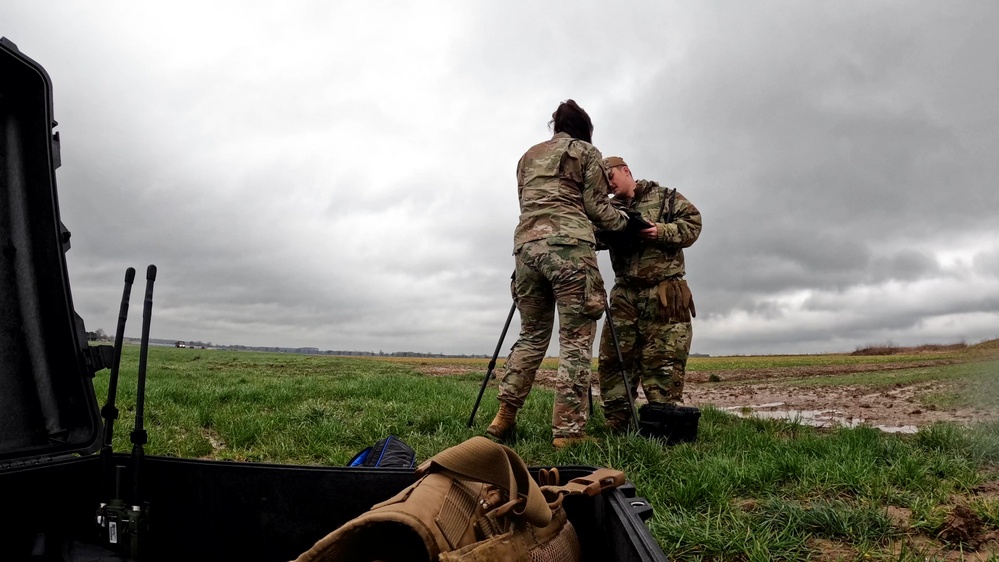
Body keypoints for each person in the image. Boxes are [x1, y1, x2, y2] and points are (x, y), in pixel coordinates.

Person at [487, 99, 639, 449]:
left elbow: (528, 204)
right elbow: (597, 208)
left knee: (532, 336)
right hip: (569, 250)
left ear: (555, 126)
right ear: (584, 127)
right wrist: (626, 223)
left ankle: (503, 417)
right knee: (575, 340)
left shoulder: (527, 156)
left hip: (526, 251)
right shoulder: (586, 151)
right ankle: (568, 435)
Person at [596, 156, 702, 432]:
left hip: (665, 292)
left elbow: (694, 224)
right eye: (602, 183)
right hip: (625, 294)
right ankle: (618, 425)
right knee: (614, 360)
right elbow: (592, 238)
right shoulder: (607, 210)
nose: (608, 186)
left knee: (664, 360)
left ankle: (664, 427)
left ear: (626, 171)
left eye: (610, 178)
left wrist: (660, 231)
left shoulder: (666, 197)